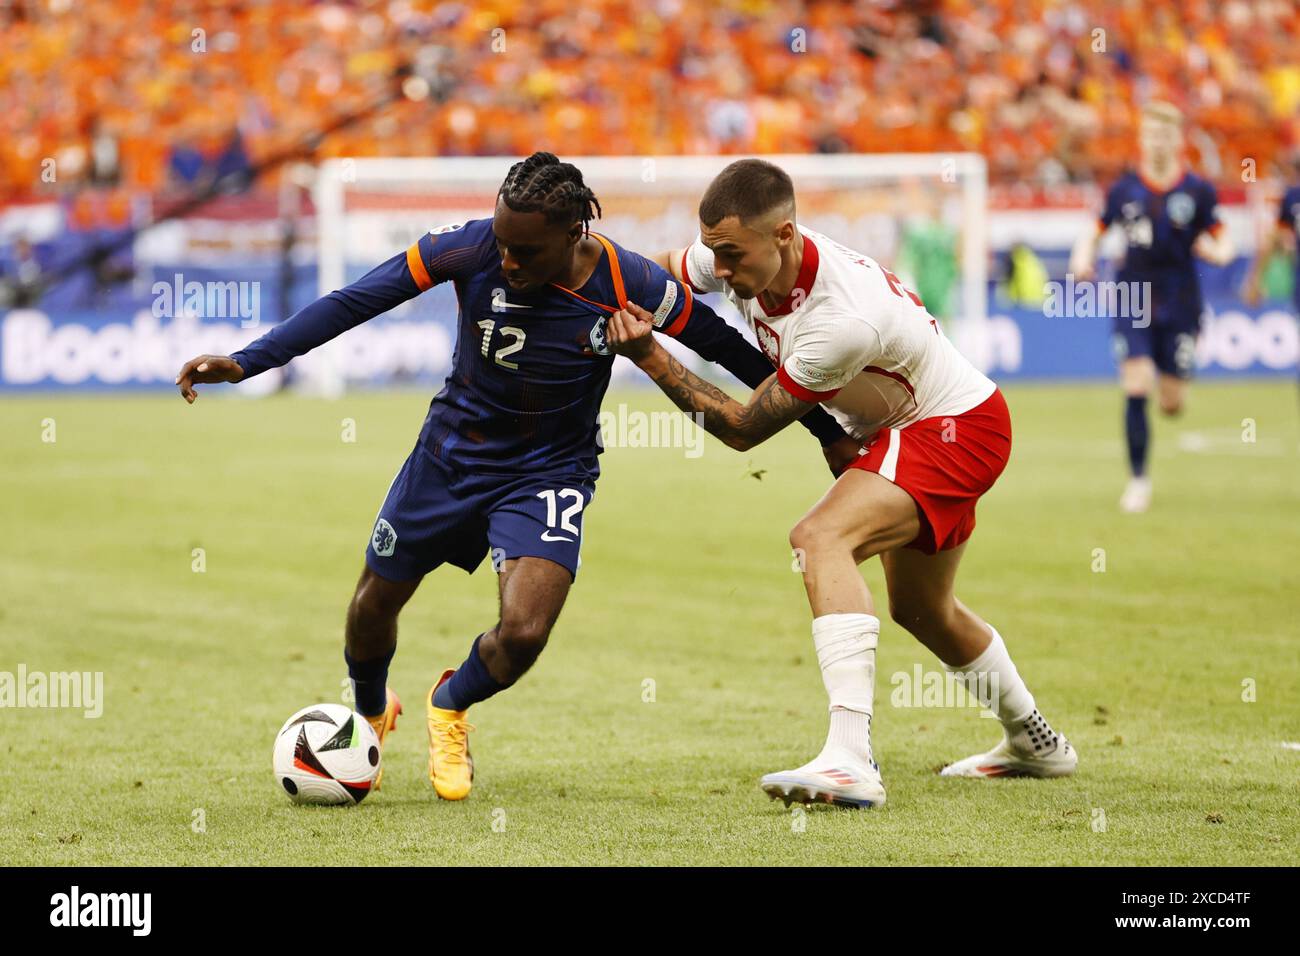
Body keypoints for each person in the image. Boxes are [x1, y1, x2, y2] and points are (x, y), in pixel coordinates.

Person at [174, 152, 853, 801]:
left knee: (525, 631)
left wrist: (828, 434)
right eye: (502, 243)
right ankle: (370, 713)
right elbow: (356, 301)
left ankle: (450, 704)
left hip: (549, 469)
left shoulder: (631, 283)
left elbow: (729, 351)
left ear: (573, 233)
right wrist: (247, 361)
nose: (506, 260)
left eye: (525, 250)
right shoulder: (464, 248)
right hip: (449, 456)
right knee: (370, 610)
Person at [608, 158, 1076, 808]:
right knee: (922, 611)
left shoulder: (840, 320)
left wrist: (650, 355)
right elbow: (655, 271)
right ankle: (1036, 742)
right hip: (918, 427)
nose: (720, 269)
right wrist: (592, 279)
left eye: (731, 254)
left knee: (819, 537)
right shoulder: (742, 253)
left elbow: (743, 429)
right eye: (713, 251)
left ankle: (851, 758)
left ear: (785, 235)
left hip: (951, 428)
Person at [1069, 101, 1234, 513]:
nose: (1158, 142)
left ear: (1178, 140)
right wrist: (1081, 257)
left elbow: (1224, 237)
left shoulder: (1197, 190)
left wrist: (1219, 252)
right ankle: (1138, 481)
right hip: (1134, 298)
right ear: (1142, 139)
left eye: (1165, 135)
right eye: (1151, 134)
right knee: (1137, 381)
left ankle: (1174, 389)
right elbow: (1093, 231)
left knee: (1171, 403)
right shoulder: (1125, 190)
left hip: (1181, 302)